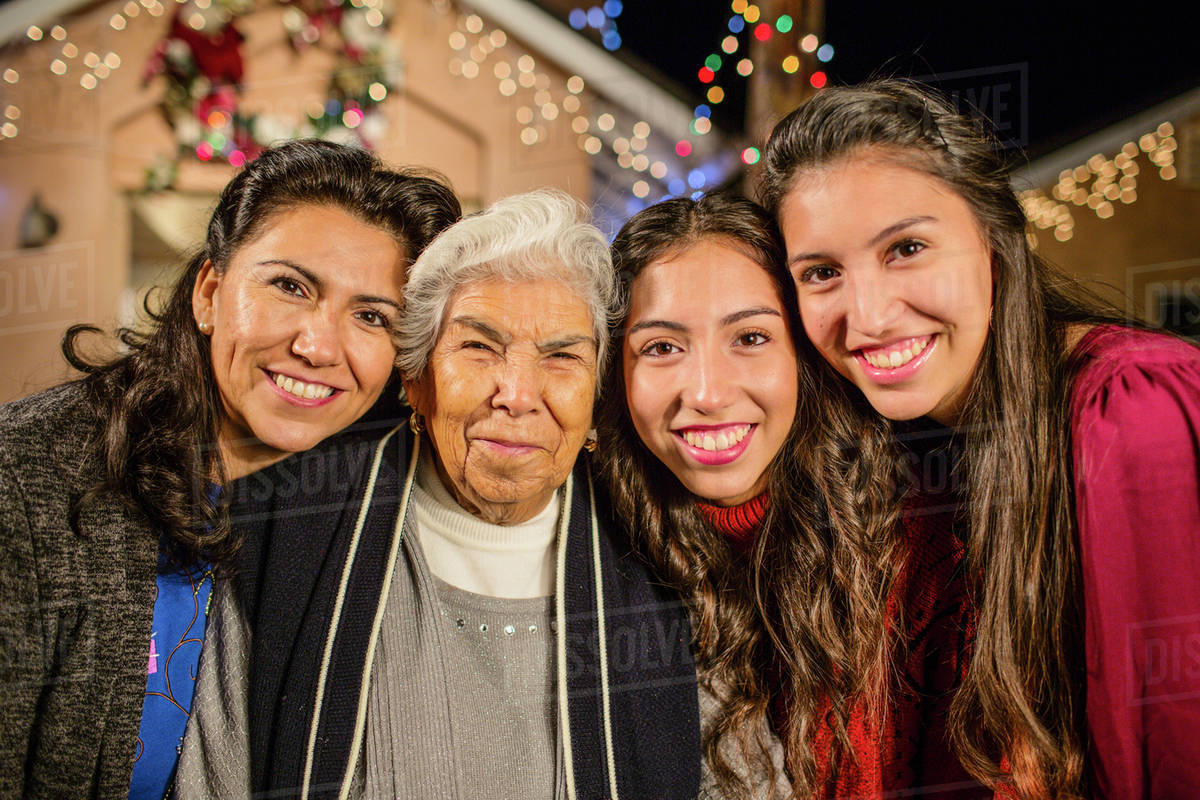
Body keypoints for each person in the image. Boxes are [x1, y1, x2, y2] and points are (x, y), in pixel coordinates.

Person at [178, 189, 706, 800]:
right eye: (479, 346)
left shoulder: (666, 559)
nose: (516, 393)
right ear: (415, 378)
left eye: (562, 356)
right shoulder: (285, 528)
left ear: (597, 398)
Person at [760, 79, 1200, 799]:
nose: (866, 317)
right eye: (822, 273)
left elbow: (1172, 751)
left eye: (906, 248)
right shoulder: (912, 456)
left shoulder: (1129, 414)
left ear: (995, 237)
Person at [0, 139, 460, 799]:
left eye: (370, 316)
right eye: (290, 286)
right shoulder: (25, 482)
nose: (316, 345)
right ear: (211, 293)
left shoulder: (342, 507)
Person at [600, 193, 976, 800]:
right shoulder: (590, 552)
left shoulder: (928, 554)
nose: (707, 393)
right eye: (662, 347)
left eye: (749, 338)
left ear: (802, 355)